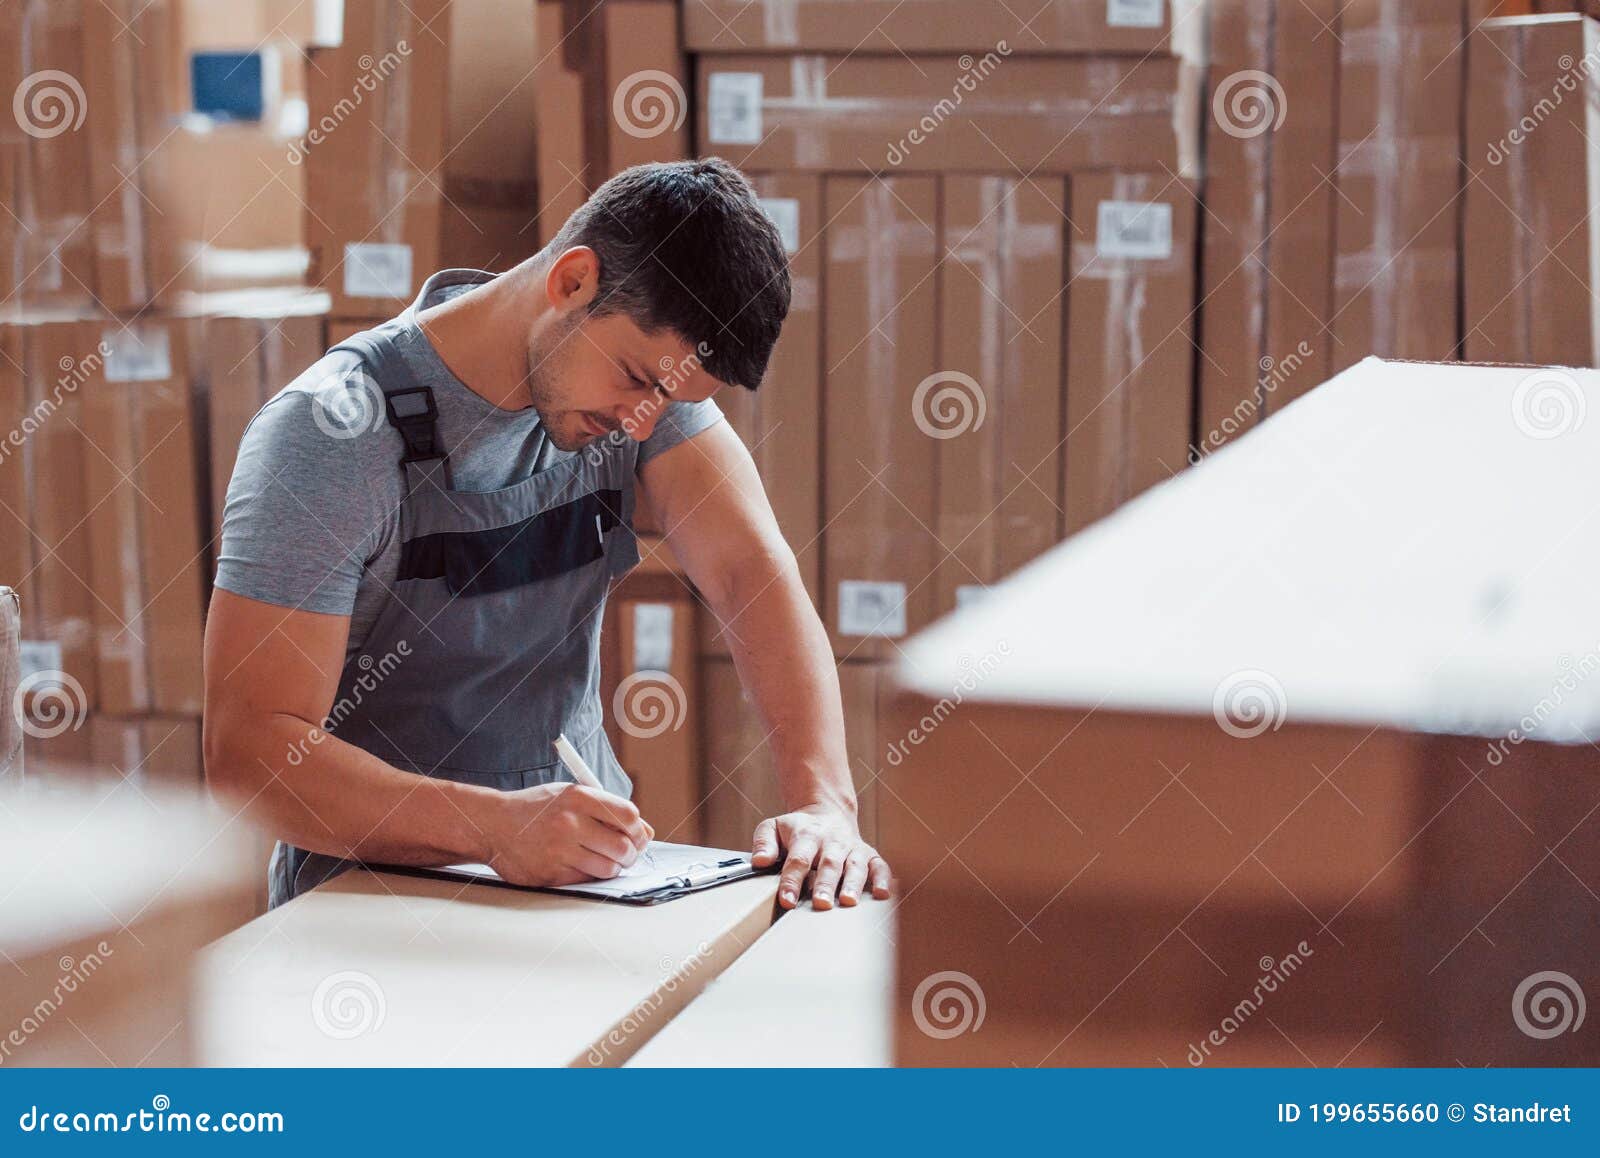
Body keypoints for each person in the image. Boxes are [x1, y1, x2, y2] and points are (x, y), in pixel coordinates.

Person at [203, 159, 891, 911]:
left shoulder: (641, 388)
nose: (643, 425)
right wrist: (492, 829)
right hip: (367, 912)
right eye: (639, 381)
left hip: (583, 885)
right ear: (573, 281)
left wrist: (825, 802)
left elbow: (747, 573)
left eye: (671, 399)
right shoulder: (332, 435)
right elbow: (248, 754)